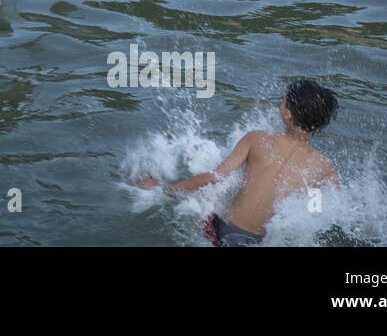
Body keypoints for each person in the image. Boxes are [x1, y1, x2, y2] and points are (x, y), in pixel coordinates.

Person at [129, 80, 341, 247]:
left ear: (288, 114)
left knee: (200, 219)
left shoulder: (257, 139)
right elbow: (315, 216)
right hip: (265, 242)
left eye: (283, 101)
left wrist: (165, 189)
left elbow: (215, 177)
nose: (280, 104)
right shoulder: (325, 167)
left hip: (224, 234)